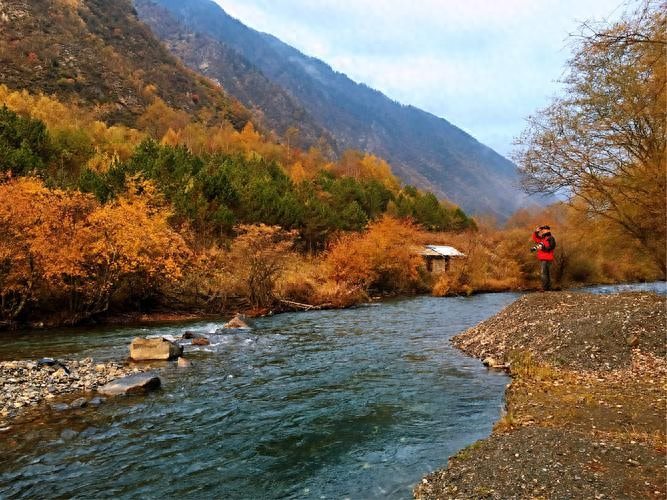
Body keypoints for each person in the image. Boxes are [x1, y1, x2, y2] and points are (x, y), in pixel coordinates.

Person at [531, 225, 556, 291]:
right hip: (543, 258)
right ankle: (547, 288)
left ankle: (545, 288)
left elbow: (552, 247)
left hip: (548, 258)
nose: (542, 231)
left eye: (544, 230)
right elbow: (535, 238)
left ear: (548, 230)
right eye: (542, 230)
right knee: (545, 274)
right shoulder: (542, 239)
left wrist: (543, 248)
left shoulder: (551, 238)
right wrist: (536, 232)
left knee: (545, 274)